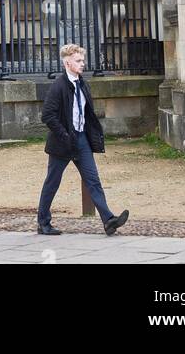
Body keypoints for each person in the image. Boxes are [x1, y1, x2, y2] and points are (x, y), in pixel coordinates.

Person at [37, 42, 129, 236]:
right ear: (67, 63)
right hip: (62, 143)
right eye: (78, 60)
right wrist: (64, 135)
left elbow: (86, 114)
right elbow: (48, 116)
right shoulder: (58, 86)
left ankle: (108, 220)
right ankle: (43, 222)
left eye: (83, 60)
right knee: (52, 182)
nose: (82, 64)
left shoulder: (82, 84)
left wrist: (90, 135)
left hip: (81, 140)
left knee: (93, 180)